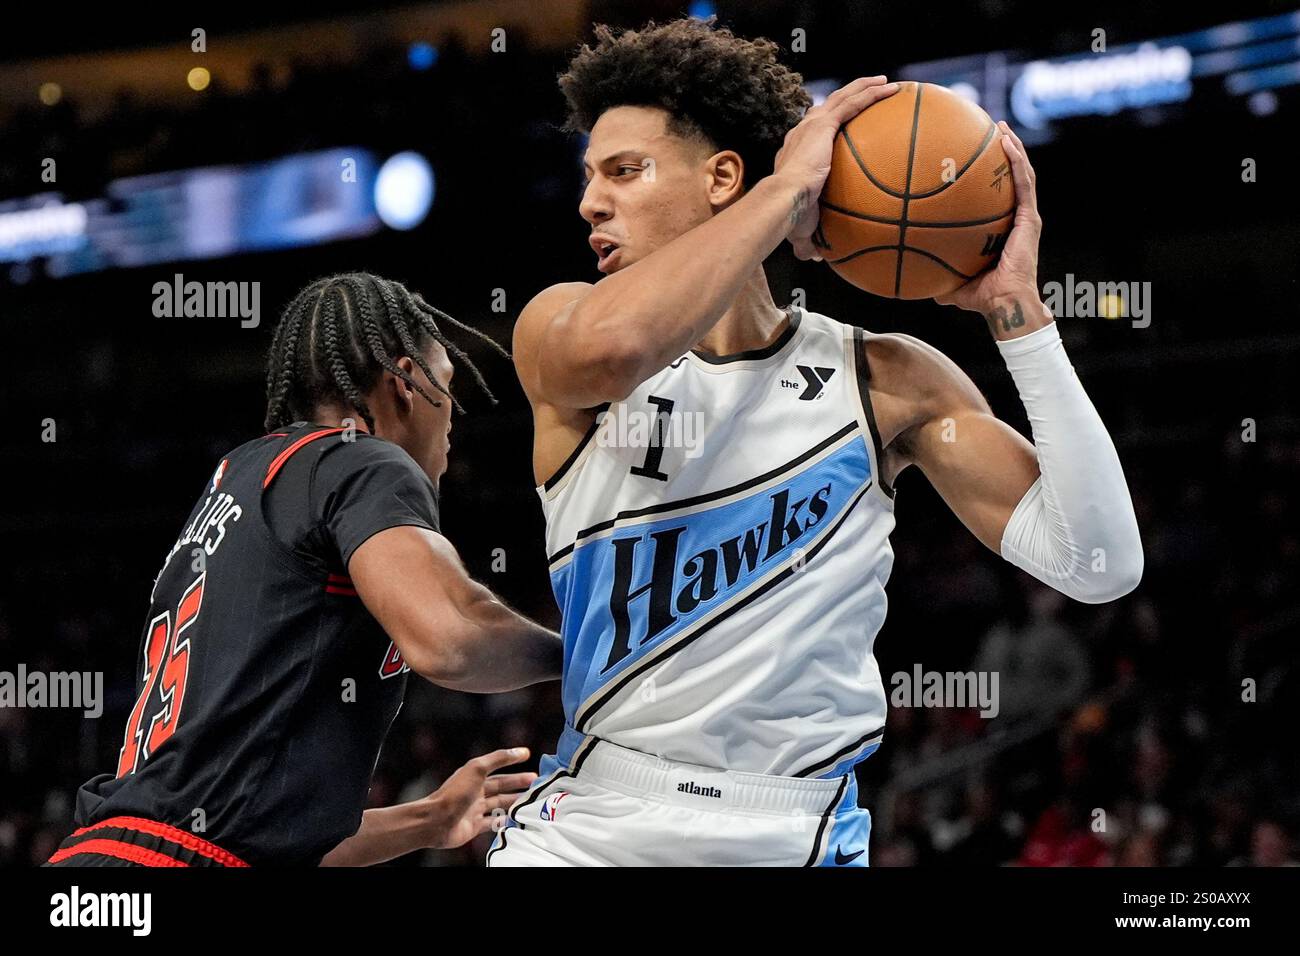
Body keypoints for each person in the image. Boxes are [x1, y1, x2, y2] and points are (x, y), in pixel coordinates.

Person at [490, 19, 1142, 866]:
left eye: (624, 171)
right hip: (595, 822)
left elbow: (1098, 565)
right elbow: (618, 348)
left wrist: (1020, 319)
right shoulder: (559, 326)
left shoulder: (889, 378)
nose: (591, 202)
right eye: (590, 177)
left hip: (793, 828)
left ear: (725, 177)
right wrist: (781, 196)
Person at [47, 273, 562, 867]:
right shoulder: (364, 460)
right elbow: (451, 640)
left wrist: (431, 818)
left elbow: (246, 838)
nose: (452, 420)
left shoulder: (241, 475)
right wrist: (587, 657)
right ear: (404, 384)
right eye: (446, 387)